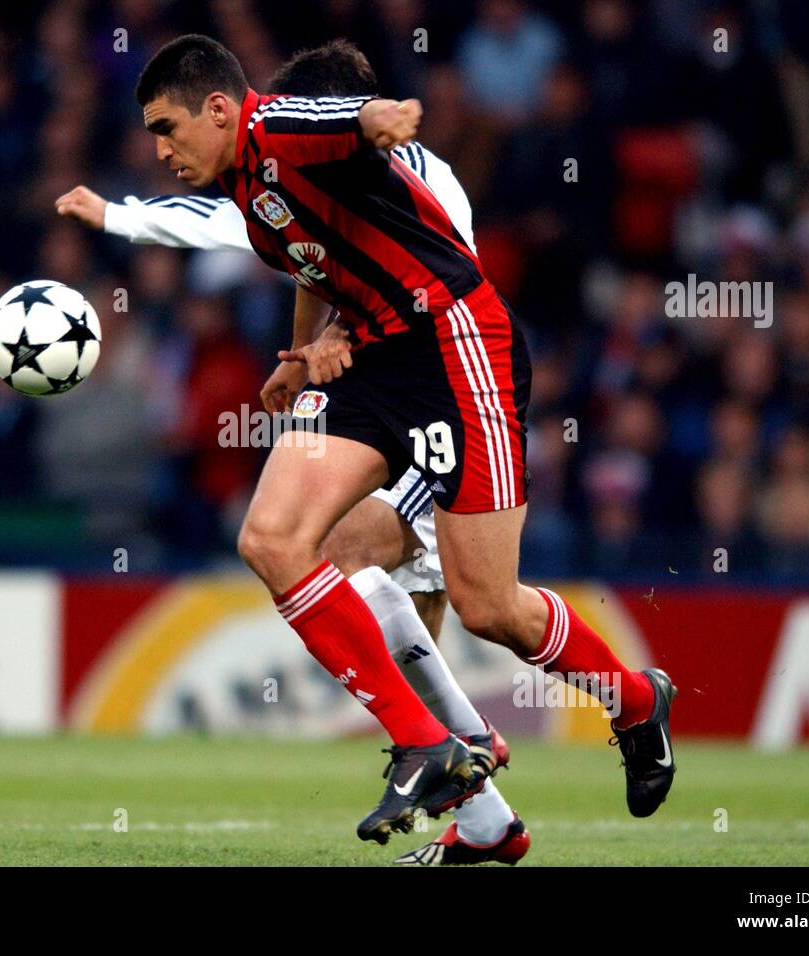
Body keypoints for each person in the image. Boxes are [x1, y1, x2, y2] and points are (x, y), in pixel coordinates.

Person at [133, 34, 677, 843]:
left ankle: (634, 701)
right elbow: (316, 270)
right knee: (275, 538)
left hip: (460, 351)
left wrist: (383, 117)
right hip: (378, 361)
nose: (162, 149)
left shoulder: (276, 129)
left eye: (167, 128)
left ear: (219, 109)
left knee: (488, 606)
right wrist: (296, 357)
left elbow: (346, 119)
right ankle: (427, 745)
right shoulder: (247, 191)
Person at [60, 40, 527, 866]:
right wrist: (122, 216)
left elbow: (433, 281)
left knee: (379, 570)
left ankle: (478, 754)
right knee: (361, 577)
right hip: (392, 407)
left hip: (442, 396)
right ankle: (479, 800)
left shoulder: (414, 172)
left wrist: (343, 334)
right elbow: (253, 234)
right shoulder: (286, 182)